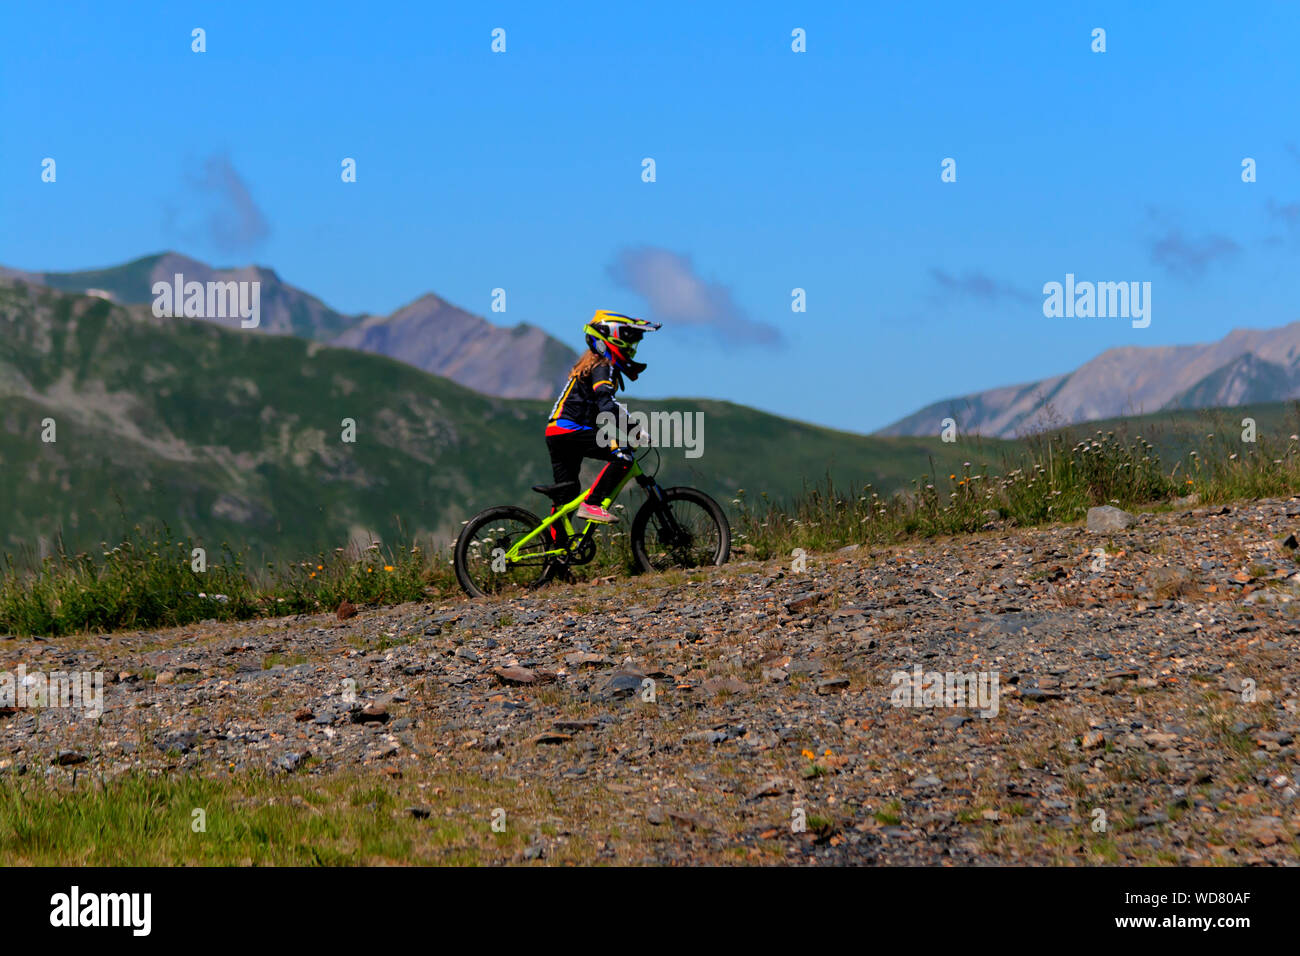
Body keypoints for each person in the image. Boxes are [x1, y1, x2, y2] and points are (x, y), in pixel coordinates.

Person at [544, 310, 660, 524]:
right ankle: (592, 504)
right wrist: (636, 431)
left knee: (566, 495)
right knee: (623, 454)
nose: (632, 350)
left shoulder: (589, 366)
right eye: (630, 343)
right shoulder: (602, 367)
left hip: (556, 432)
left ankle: (557, 550)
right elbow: (607, 405)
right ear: (613, 341)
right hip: (571, 430)